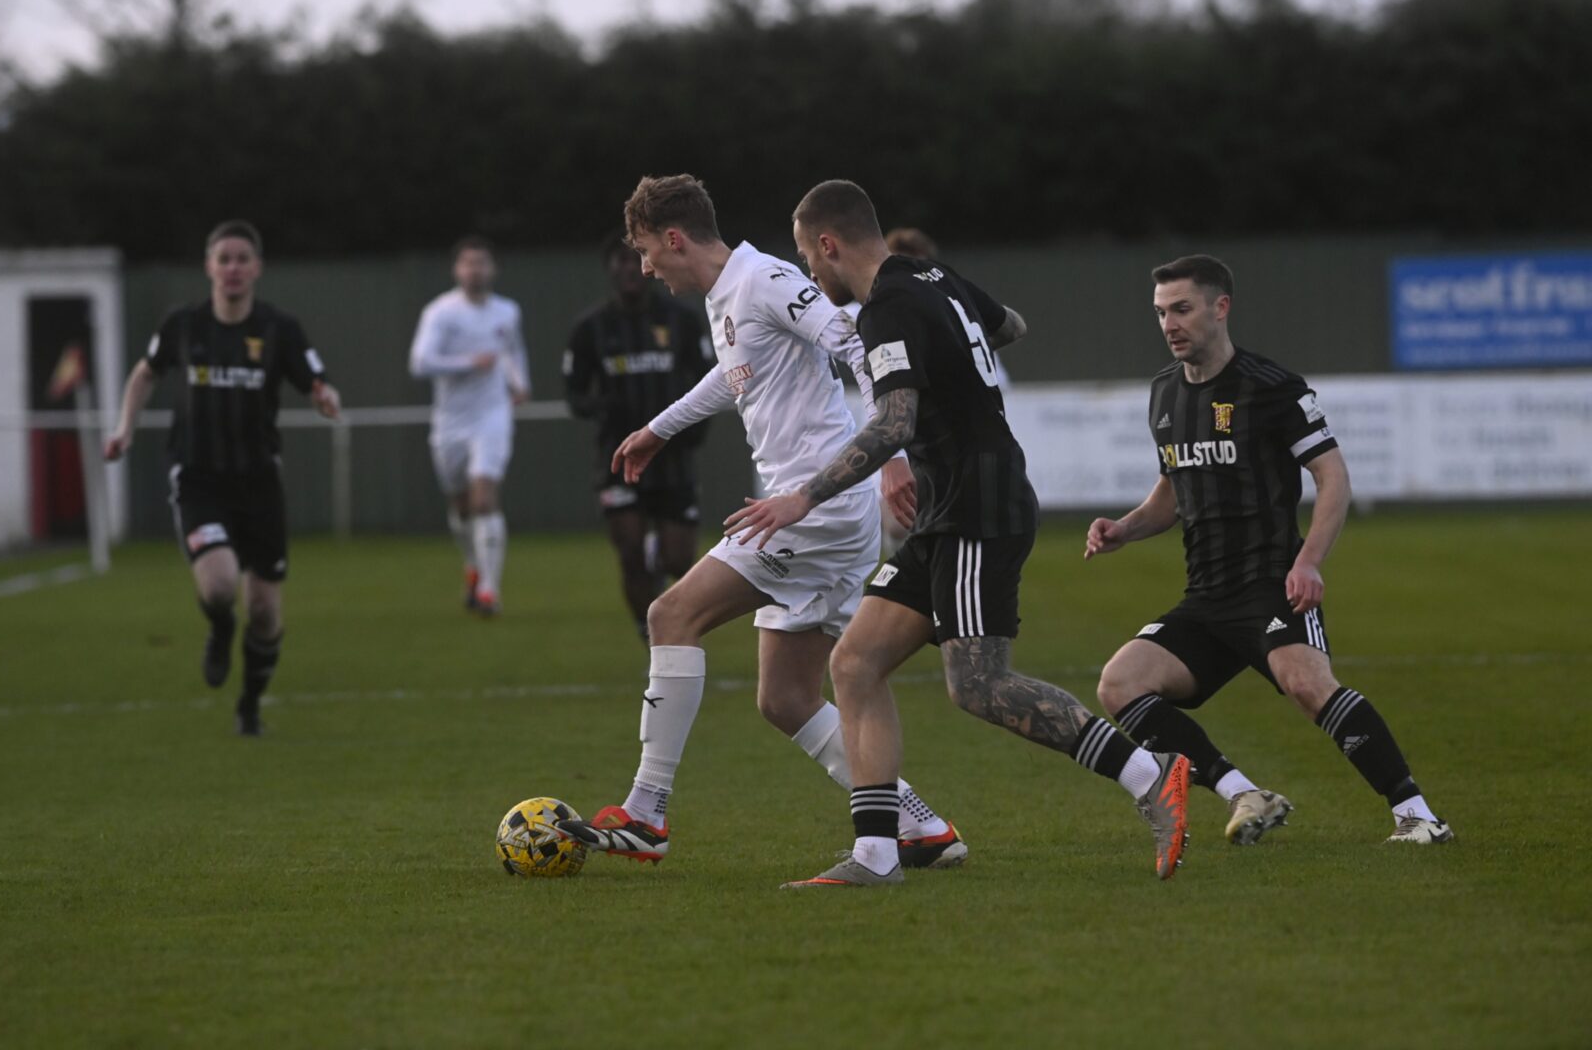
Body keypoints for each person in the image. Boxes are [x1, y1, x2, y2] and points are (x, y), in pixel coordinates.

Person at [727, 180, 1192, 888]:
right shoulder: (930, 276)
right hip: (952, 505)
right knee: (853, 664)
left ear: (828, 244)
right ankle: (878, 856)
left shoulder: (887, 305)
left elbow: (892, 423)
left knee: (979, 685)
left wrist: (802, 496)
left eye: (805, 256)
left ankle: (1148, 773)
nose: (810, 274)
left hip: (979, 504)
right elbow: (1011, 327)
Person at [558, 174, 964, 869]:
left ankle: (647, 812)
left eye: (647, 250)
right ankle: (922, 826)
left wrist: (888, 446)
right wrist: (658, 427)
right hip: (814, 508)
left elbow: (856, 341)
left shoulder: (767, 279)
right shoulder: (729, 296)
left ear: (674, 238)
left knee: (670, 614)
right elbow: (732, 374)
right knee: (784, 698)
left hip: (817, 506)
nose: (646, 266)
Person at [1085, 254, 1454, 845]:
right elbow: (1172, 492)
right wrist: (1124, 529)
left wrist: (1308, 560)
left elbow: (1333, 478)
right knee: (1119, 684)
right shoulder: (1163, 395)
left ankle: (1417, 815)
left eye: (1181, 309)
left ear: (1220, 307)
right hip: (1206, 597)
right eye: (1160, 313)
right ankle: (1243, 793)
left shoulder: (1272, 387)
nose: (1169, 324)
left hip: (1271, 585)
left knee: (1307, 685)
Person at [104, 220, 341, 736]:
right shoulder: (182, 324)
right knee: (218, 588)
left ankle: (249, 705)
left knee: (264, 612)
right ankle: (218, 628)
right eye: (223, 258)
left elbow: (316, 381)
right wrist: (124, 428)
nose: (232, 268)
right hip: (199, 479)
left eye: (242, 259)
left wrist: (326, 397)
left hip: (258, 484)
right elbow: (146, 373)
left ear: (256, 268)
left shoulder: (280, 327)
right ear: (209, 267)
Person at [563, 235, 715, 643]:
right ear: (609, 269)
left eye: (635, 260)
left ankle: (659, 562)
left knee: (680, 559)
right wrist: (605, 408)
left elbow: (709, 378)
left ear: (648, 267)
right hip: (618, 457)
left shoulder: (681, 321)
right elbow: (575, 394)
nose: (629, 269)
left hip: (673, 456)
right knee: (629, 552)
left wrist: (692, 432)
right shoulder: (590, 329)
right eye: (619, 262)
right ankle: (649, 633)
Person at [408, 236, 530, 616]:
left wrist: (520, 382)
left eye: (482, 263)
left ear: (492, 268)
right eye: (468, 263)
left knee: (484, 498)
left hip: (492, 415)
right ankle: (474, 565)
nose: (475, 270)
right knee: (461, 506)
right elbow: (420, 363)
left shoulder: (507, 311)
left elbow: (510, 351)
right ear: (457, 269)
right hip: (450, 423)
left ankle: (490, 591)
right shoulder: (440, 313)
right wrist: (466, 363)